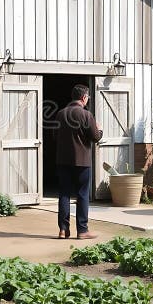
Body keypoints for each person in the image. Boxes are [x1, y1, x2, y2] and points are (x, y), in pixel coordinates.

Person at [55, 84, 103, 239]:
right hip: (82, 162)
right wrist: (100, 130)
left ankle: (63, 230)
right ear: (84, 97)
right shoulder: (86, 115)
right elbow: (95, 137)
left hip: (62, 160)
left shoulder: (60, 114)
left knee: (64, 194)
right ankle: (82, 230)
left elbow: (54, 137)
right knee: (82, 194)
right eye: (88, 97)